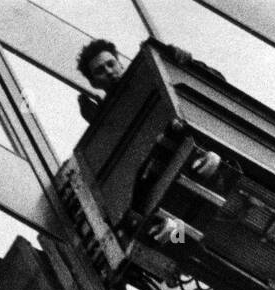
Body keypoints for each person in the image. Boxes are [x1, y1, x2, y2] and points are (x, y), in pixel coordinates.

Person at [75, 38, 221, 183]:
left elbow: (217, 82)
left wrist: (189, 63)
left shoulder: (153, 74)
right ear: (93, 83)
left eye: (110, 64)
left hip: (200, 149)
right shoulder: (110, 117)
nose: (108, 71)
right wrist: (97, 123)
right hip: (162, 170)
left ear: (120, 64)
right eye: (100, 70)